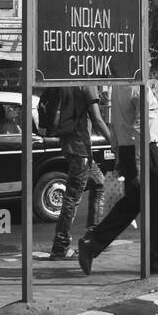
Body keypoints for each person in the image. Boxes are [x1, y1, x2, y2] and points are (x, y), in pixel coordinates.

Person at [78, 80, 158, 275]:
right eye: (147, 57)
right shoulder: (138, 86)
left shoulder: (119, 86)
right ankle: (156, 260)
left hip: (128, 150)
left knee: (132, 203)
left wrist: (119, 153)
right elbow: (140, 127)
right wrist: (139, 163)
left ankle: (93, 242)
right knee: (157, 205)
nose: (149, 61)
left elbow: (114, 123)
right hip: (144, 150)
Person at [39, 85, 111, 261]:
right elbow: (97, 120)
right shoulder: (87, 86)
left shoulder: (67, 82)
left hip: (68, 143)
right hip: (80, 148)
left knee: (99, 183)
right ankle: (60, 246)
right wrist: (114, 141)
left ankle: (93, 236)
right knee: (72, 198)